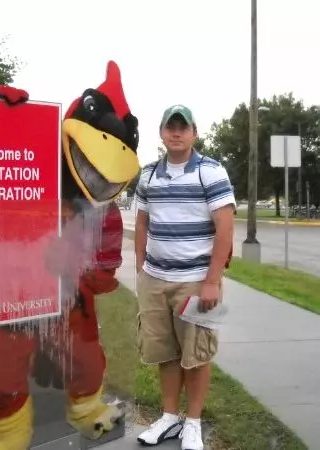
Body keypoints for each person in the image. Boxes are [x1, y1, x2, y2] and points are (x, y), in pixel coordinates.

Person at [134, 105, 236, 449]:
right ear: (161, 133)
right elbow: (143, 223)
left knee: (197, 354)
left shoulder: (211, 171)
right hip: (155, 279)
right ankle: (169, 417)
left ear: (194, 132)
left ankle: (192, 422)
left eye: (183, 127)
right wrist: (140, 269)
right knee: (165, 353)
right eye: (170, 126)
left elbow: (225, 229)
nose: (176, 132)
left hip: (196, 281)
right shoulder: (148, 174)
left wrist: (212, 281)